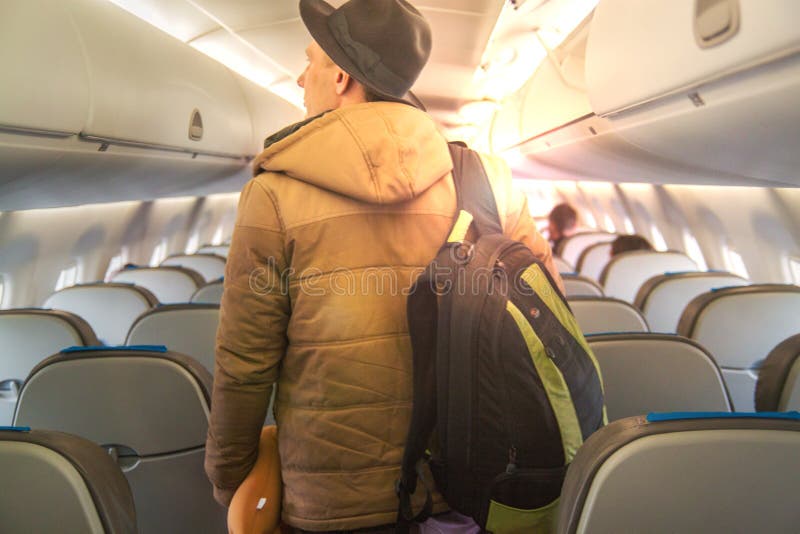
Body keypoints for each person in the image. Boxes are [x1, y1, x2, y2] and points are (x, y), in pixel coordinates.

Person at [204, 0, 564, 531]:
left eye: (311, 62)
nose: (303, 78)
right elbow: (547, 317)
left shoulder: (271, 197)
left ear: (343, 76)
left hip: (328, 501)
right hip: (468, 486)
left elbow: (244, 363)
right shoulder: (488, 181)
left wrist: (231, 476)